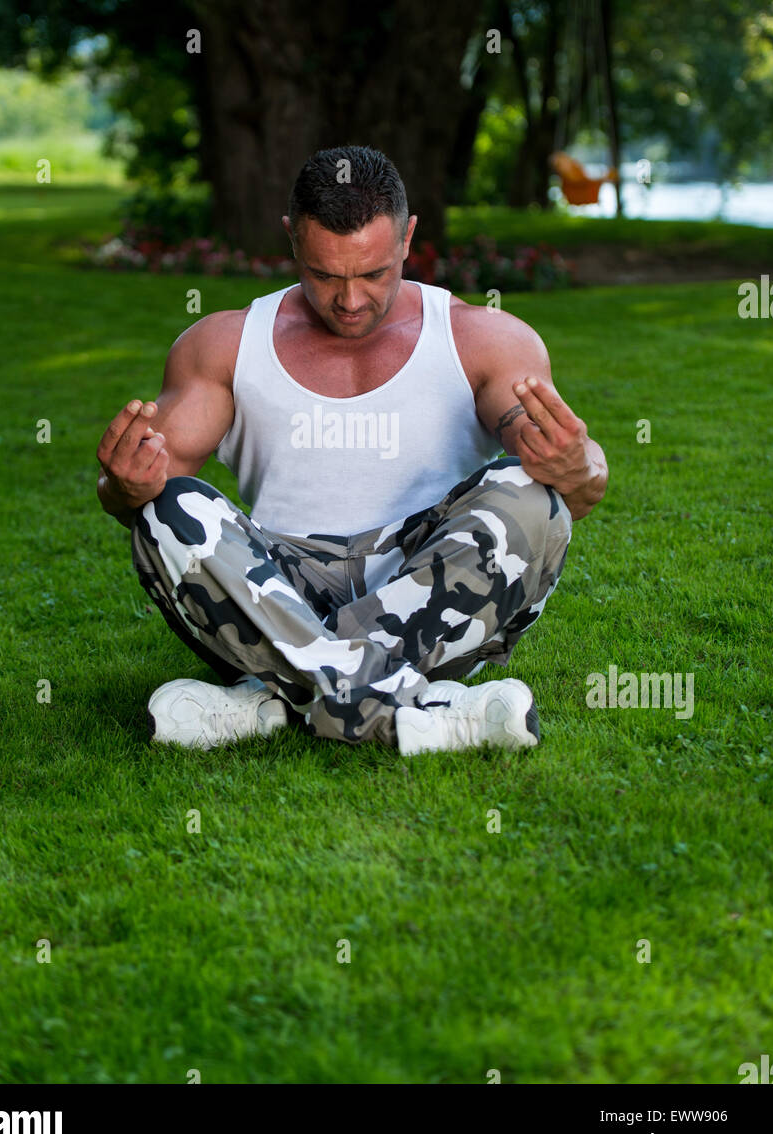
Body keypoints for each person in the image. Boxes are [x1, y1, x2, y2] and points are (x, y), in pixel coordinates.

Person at [96, 146, 607, 756]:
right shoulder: (225, 344)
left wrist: (579, 466)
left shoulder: (482, 337)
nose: (350, 300)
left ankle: (270, 701)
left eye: (373, 274)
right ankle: (437, 714)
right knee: (170, 509)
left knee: (529, 494)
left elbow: (572, 487)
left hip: (424, 591)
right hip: (278, 590)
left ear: (408, 237)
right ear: (291, 240)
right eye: (324, 274)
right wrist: (125, 488)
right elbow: (144, 492)